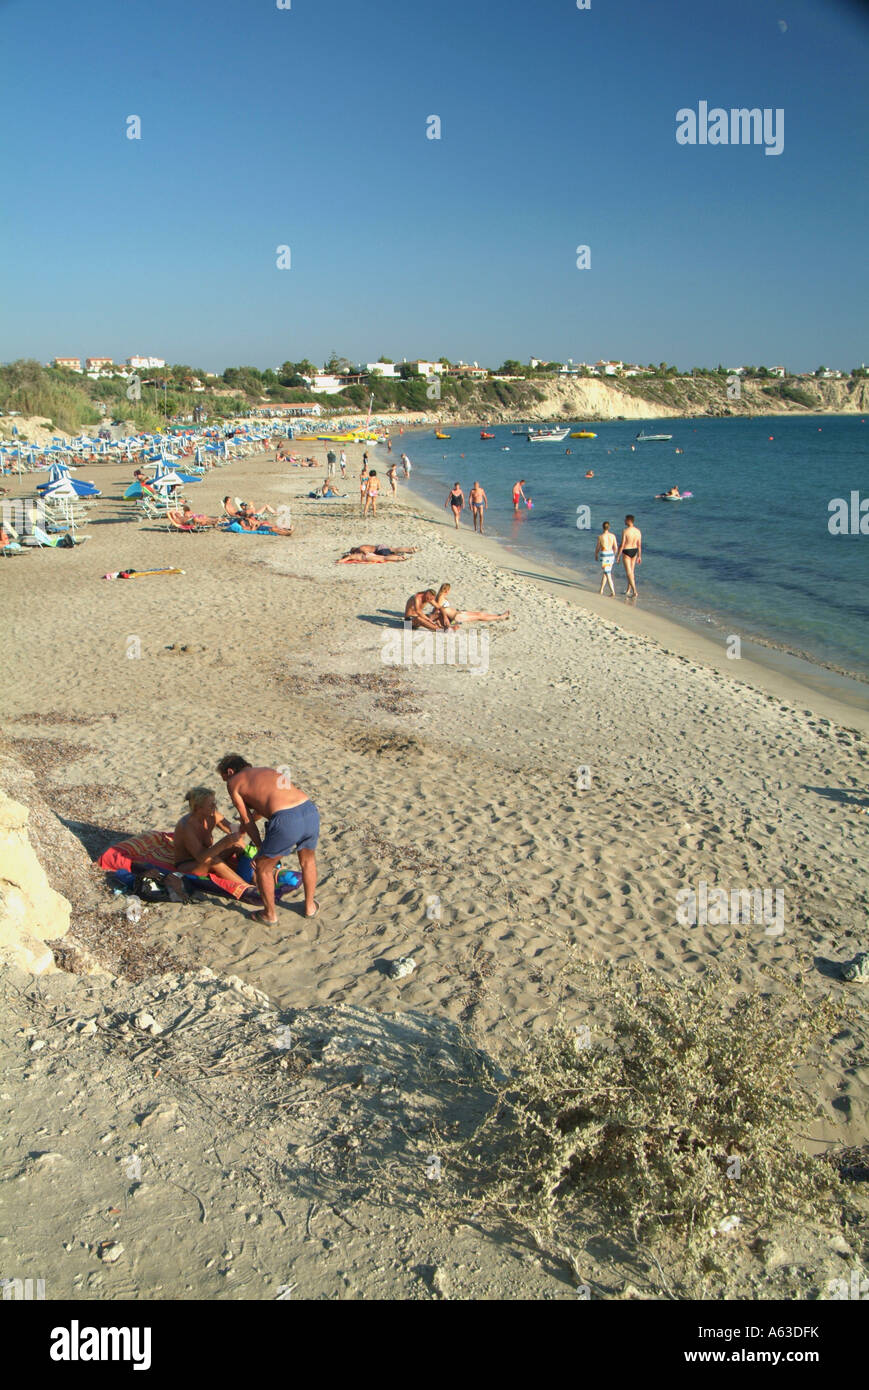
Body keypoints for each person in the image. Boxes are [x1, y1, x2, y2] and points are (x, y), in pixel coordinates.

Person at [217, 755, 320, 924]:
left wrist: (260, 847)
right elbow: (266, 805)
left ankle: (269, 915)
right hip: (309, 810)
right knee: (308, 861)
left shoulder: (234, 782)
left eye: (224, 778)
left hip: (286, 820)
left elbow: (247, 820)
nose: (226, 782)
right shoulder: (267, 771)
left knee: (263, 868)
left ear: (230, 771)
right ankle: (310, 907)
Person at [171, 786, 251, 896]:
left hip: (207, 856)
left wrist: (240, 829)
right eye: (211, 805)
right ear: (198, 808)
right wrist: (223, 843)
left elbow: (232, 828)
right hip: (188, 865)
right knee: (214, 861)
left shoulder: (213, 816)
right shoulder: (186, 826)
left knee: (237, 846)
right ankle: (247, 889)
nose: (215, 806)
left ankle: (254, 877)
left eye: (215, 803)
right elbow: (200, 857)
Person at [432, 583, 509, 624]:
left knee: (479, 613)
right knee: (479, 616)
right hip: (456, 617)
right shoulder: (440, 598)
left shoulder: (441, 596)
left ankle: (498, 616)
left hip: (458, 613)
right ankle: (500, 617)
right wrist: (435, 620)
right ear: (447, 590)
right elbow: (437, 610)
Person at [617, 514, 642, 597]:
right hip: (634, 550)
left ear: (628, 521)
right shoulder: (638, 531)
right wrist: (639, 556)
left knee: (629, 572)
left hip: (627, 550)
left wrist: (618, 555)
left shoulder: (625, 531)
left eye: (625, 520)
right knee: (632, 572)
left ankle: (635, 591)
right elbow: (639, 545)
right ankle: (628, 590)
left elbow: (623, 544)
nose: (624, 521)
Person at [594, 520, 618, 596]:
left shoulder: (600, 537)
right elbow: (616, 547)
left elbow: (598, 547)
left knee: (608, 574)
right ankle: (601, 590)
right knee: (606, 572)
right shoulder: (613, 536)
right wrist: (614, 554)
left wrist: (596, 554)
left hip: (604, 554)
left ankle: (612, 591)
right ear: (609, 527)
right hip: (611, 553)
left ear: (602, 527)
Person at [337, 544, 417, 563]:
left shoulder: (360, 550)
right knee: (394, 549)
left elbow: (366, 552)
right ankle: (411, 549)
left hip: (378, 551)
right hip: (380, 546)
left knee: (384, 557)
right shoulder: (363, 546)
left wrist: (339, 561)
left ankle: (400, 558)